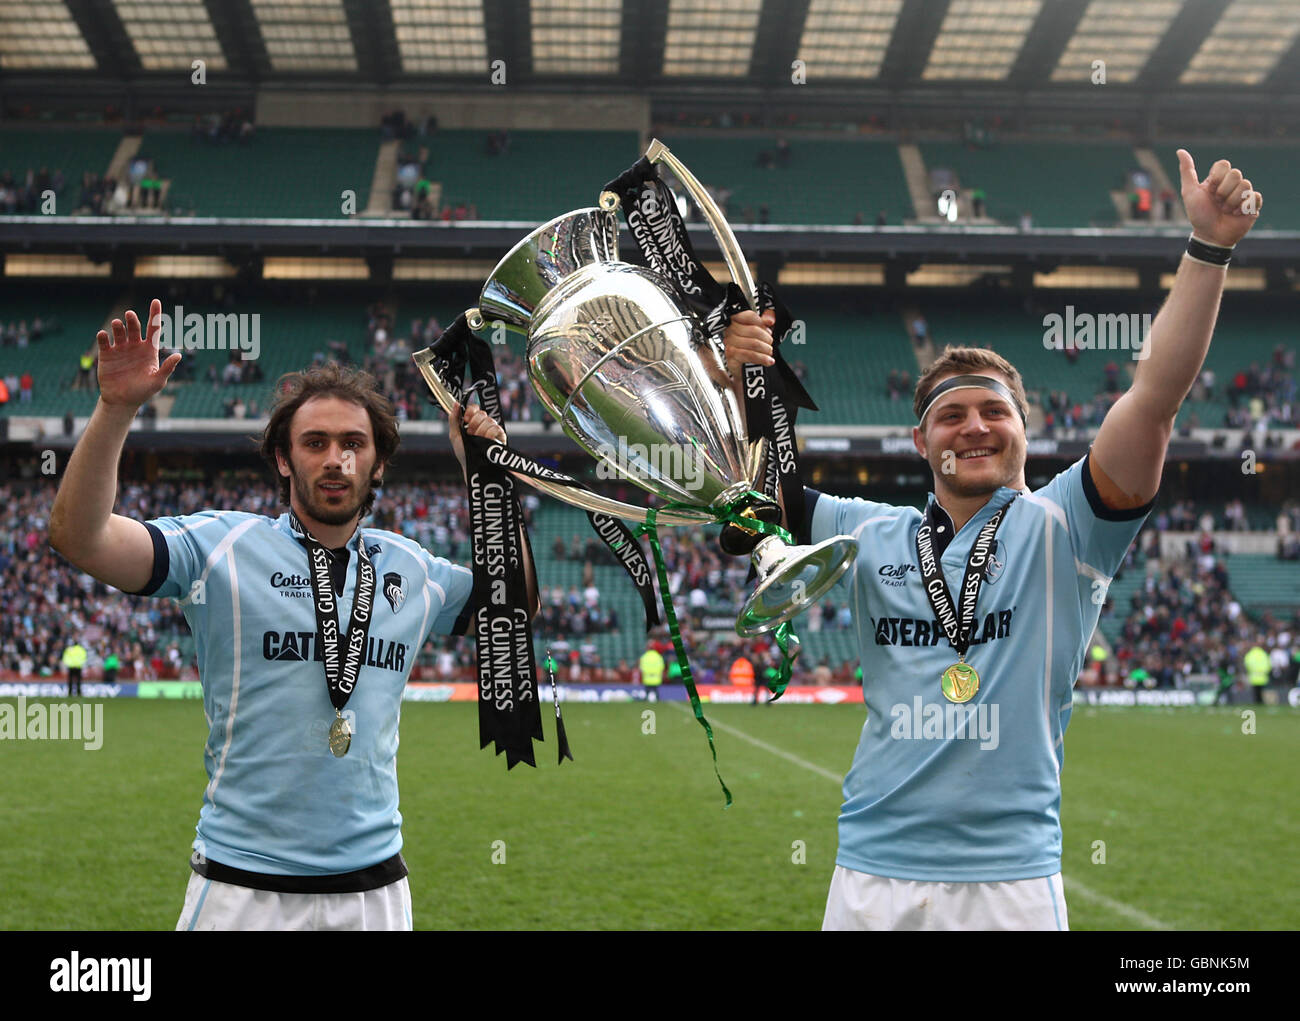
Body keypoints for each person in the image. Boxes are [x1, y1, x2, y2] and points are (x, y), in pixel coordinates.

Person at [723, 149, 1261, 931]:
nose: (974, 425)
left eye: (994, 411)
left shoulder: (1068, 524)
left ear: (1024, 428)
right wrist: (740, 377)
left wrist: (1209, 248)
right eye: (952, 415)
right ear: (920, 439)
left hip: (1010, 882)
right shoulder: (867, 530)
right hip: (871, 873)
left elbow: (1155, 397)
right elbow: (755, 493)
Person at [47, 299, 528, 931]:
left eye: (355, 444)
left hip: (374, 894)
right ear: (283, 458)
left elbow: (513, 603)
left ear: (379, 463)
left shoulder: (412, 569)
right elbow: (81, 538)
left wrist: (484, 470)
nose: (336, 459)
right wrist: (115, 410)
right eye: (315, 442)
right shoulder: (219, 547)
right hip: (242, 893)